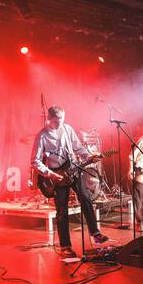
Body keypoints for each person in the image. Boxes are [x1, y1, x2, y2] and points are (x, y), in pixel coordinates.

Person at [33, 105, 108, 255]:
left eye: (61, 120)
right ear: (49, 119)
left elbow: (78, 148)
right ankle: (65, 246)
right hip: (56, 174)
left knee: (86, 198)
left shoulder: (67, 129)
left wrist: (89, 156)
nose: (59, 124)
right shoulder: (42, 136)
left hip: (73, 169)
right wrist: (51, 175)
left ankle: (96, 234)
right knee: (62, 210)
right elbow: (35, 161)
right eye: (56, 121)